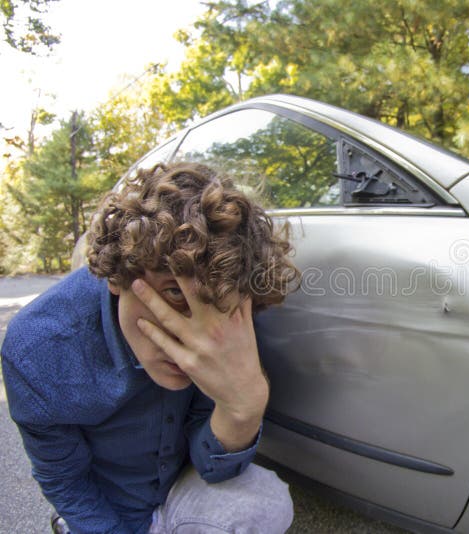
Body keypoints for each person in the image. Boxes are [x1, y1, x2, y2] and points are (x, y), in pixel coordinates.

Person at [1, 162, 299, 533]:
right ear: (118, 275)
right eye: (174, 292)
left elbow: (214, 467)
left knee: (264, 501)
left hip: (178, 488)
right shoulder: (39, 347)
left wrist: (243, 407)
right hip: (110, 507)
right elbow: (67, 482)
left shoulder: (225, 312)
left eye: (215, 303)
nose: (197, 339)